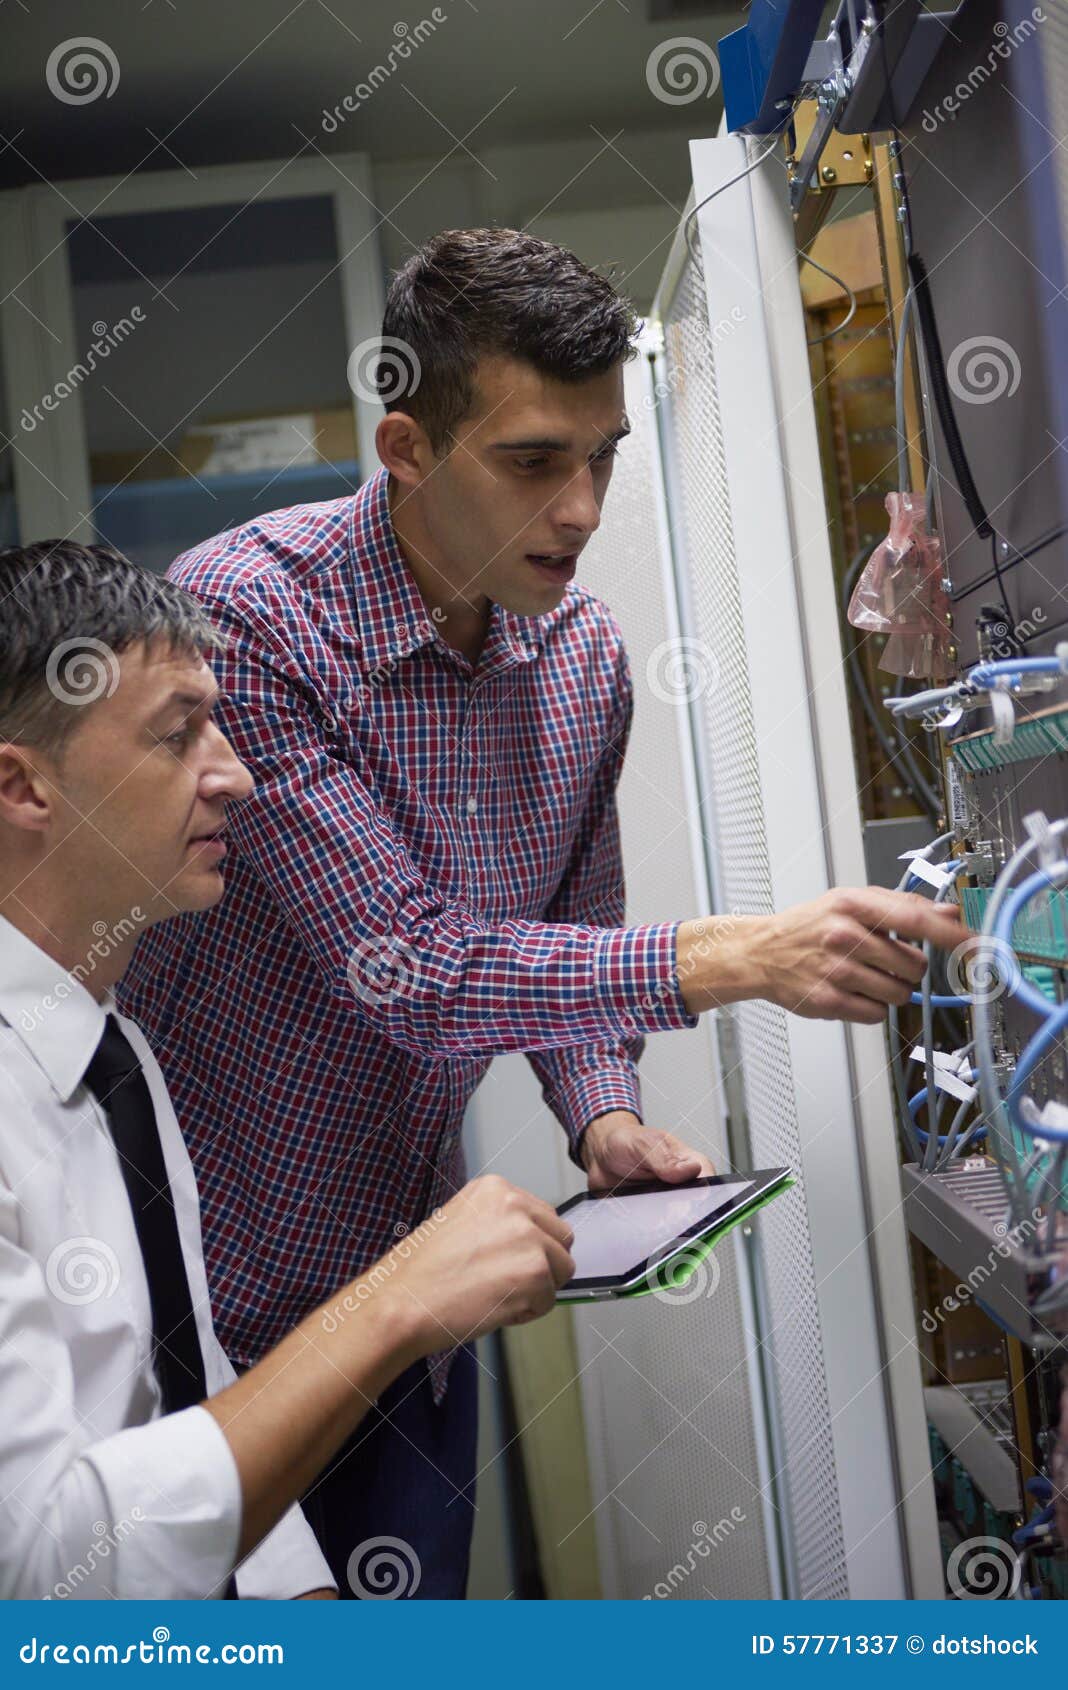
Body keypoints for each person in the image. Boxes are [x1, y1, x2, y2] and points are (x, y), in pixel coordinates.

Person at [119, 227, 963, 1597]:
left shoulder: (582, 656)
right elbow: (415, 971)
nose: (579, 508)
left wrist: (602, 1114)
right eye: (532, 462)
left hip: (421, 1315)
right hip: (212, 1330)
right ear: (403, 447)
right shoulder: (246, 623)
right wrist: (742, 952)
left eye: (603, 457)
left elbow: (573, 913)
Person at [0, 541, 575, 1600]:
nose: (234, 772)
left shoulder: (114, 1050)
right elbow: (42, 1568)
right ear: (23, 786)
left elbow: (186, 1385)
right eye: (178, 737)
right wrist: (395, 1301)